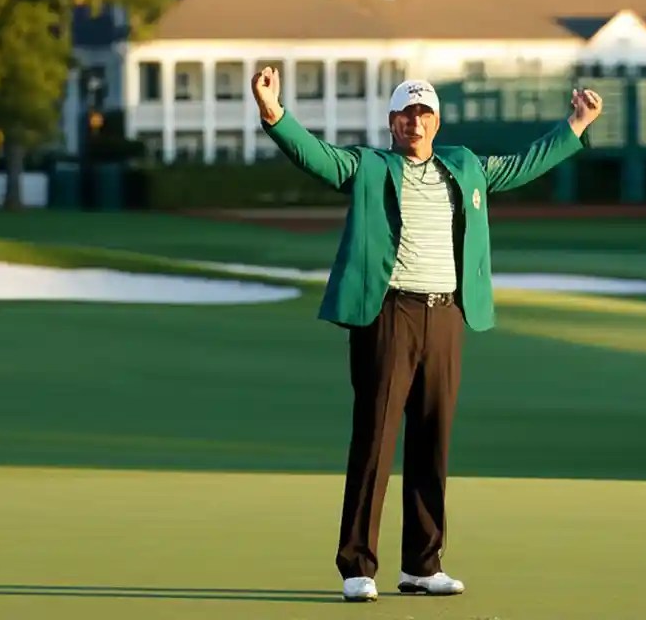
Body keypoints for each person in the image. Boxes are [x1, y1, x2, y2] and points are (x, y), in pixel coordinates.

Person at [251, 67, 603, 602]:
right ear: (392, 122)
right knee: (376, 438)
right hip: (389, 313)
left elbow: (524, 165)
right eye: (405, 114)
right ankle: (357, 566)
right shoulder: (369, 167)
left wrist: (575, 125)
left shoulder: (463, 166)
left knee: (432, 439)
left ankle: (422, 563)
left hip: (446, 316)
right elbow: (317, 156)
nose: (414, 122)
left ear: (436, 121)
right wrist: (274, 113)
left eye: (423, 114)